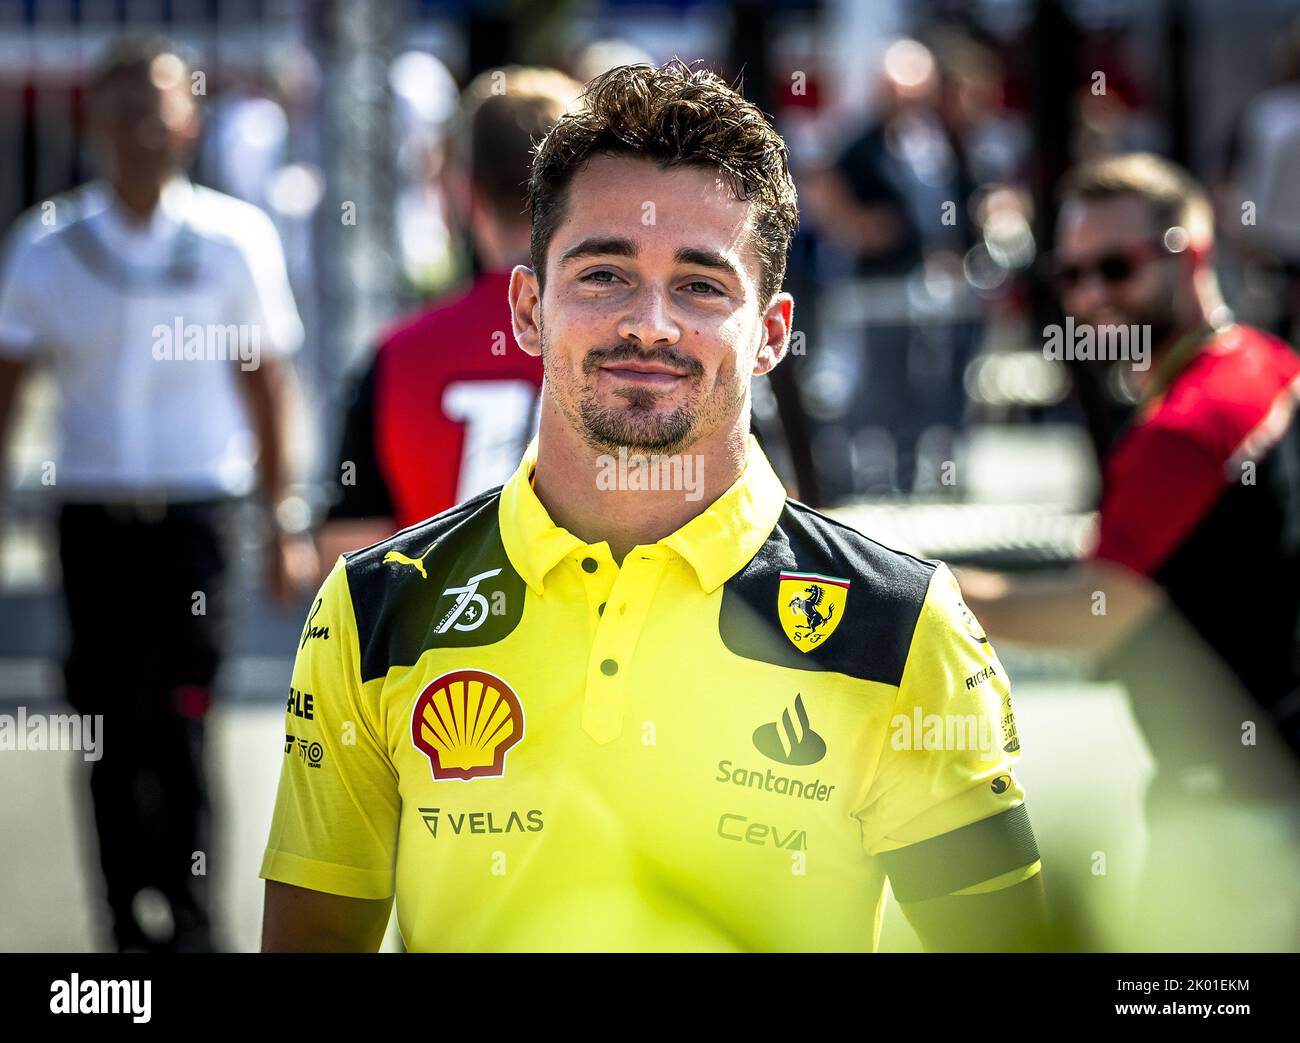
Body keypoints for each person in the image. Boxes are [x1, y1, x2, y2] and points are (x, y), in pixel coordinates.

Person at [260, 59, 1047, 953]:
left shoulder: (901, 626)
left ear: (773, 334)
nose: (651, 323)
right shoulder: (371, 609)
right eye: (604, 273)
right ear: (528, 308)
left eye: (703, 285)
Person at [0, 36, 314, 951]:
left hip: (196, 522)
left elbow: (267, 385)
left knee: (182, 721)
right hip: (94, 520)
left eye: (163, 110)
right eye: (126, 111)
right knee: (104, 732)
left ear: (190, 121)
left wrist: (281, 519)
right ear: (92, 123)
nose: (146, 131)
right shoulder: (48, 246)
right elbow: (10, 385)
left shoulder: (231, 239)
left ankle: (192, 925)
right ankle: (119, 931)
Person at [957, 152, 1300, 949]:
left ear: (1193, 252)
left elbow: (1093, 612)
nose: (1092, 296)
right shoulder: (1266, 363)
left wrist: (910, 590)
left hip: (1233, 812)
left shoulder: (1188, 424)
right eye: (1071, 275)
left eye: (1114, 267)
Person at [317, 66, 581, 570]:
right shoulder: (635, 342)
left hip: (438, 642)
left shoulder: (397, 355)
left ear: (464, 192)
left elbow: (346, 564)